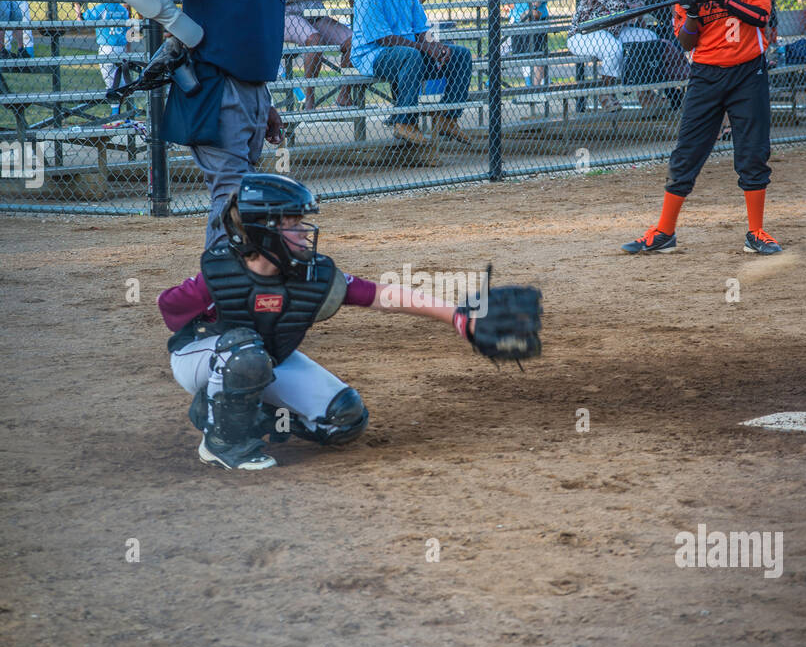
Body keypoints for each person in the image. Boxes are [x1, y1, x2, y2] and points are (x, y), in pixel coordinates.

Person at [158, 172, 541, 471]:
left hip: (261, 358)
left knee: (343, 419)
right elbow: (170, 310)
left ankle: (237, 413)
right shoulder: (221, 274)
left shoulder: (313, 276)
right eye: (292, 224)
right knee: (243, 352)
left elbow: (379, 295)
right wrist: (221, 326)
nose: (304, 233)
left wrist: (457, 319)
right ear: (264, 231)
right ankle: (222, 443)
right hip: (203, 358)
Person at [117, 0, 285, 248]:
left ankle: (232, 288)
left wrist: (266, 100)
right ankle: (217, 293)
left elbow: (247, 31)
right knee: (234, 197)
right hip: (216, 90)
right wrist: (184, 29)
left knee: (242, 197)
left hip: (251, 91)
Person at [621, 0, 780, 256]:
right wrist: (693, 11)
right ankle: (664, 232)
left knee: (753, 153)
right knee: (686, 153)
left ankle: (756, 233)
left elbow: (760, 16)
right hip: (705, 76)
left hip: (748, 73)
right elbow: (685, 42)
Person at [351, 0, 473, 152]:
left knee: (460, 55)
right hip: (374, 56)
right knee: (413, 55)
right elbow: (385, 40)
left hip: (409, 55)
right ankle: (404, 121)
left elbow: (421, 29)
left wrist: (437, 46)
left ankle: (448, 118)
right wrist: (426, 49)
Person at [567, 0, 658, 108]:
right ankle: (605, 92)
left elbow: (640, 6)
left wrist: (631, 6)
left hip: (612, 32)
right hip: (583, 34)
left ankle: (645, 92)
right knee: (613, 48)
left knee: (649, 37)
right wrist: (631, 8)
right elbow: (619, 11)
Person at [280, 0, 353, 110]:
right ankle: (309, 97)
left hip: (316, 16)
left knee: (353, 40)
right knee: (315, 40)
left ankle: (344, 95)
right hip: (290, 17)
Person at [73, 0, 130, 90]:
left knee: (111, 85)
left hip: (107, 49)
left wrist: (76, 5)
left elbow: (81, 20)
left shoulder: (102, 7)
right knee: (122, 82)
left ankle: (115, 106)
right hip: (122, 48)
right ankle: (127, 105)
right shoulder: (123, 9)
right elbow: (129, 32)